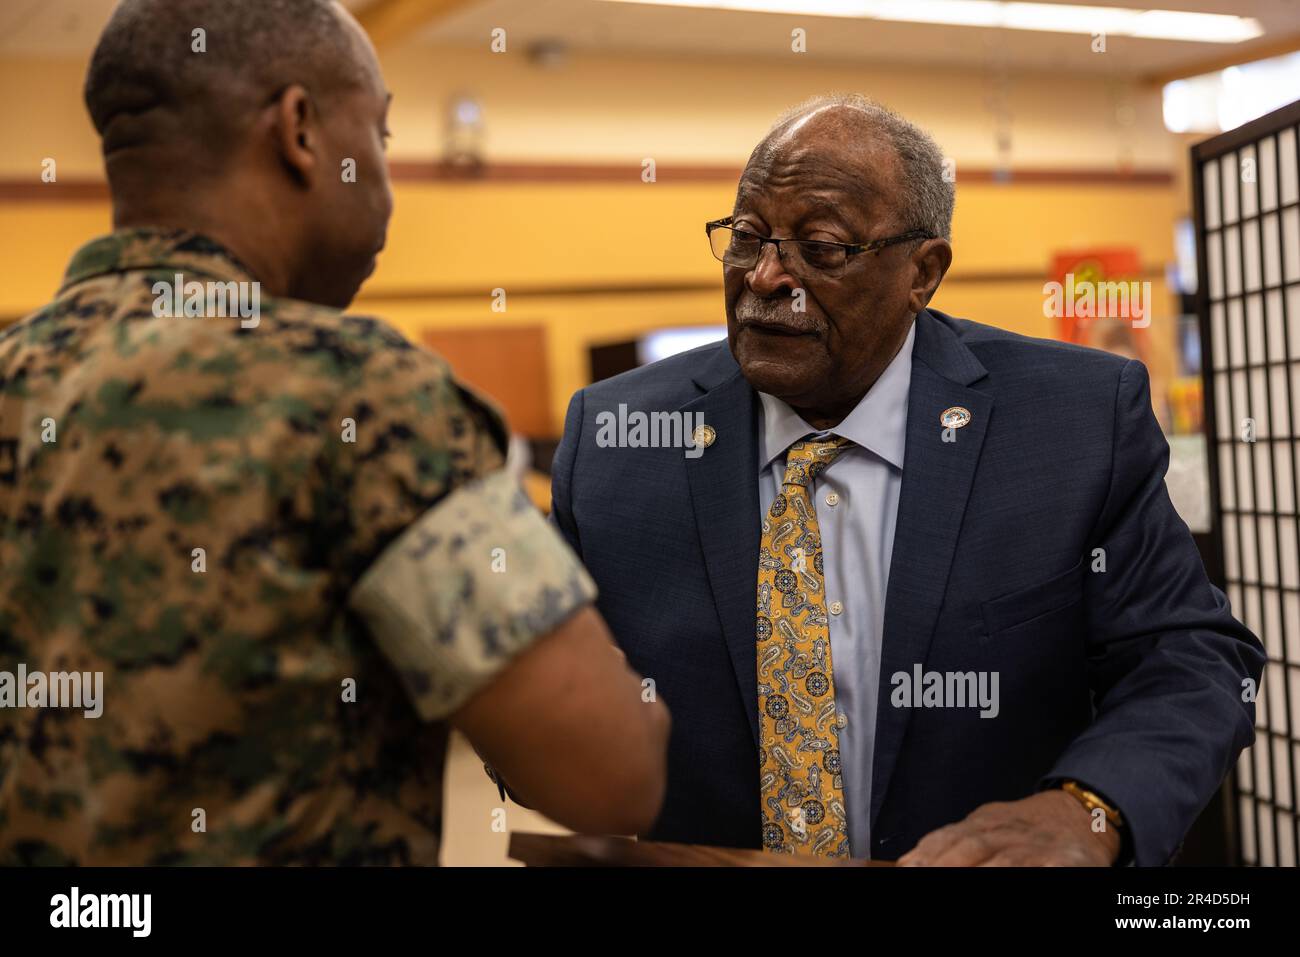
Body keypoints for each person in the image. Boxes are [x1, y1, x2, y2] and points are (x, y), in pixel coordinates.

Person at [0, 0, 668, 866]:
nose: (384, 173)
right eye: (380, 136)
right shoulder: (357, 392)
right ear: (300, 129)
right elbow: (605, 774)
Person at [548, 94, 1264, 865]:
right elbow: (531, 694)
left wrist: (1088, 809)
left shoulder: (1074, 424)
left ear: (922, 271)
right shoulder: (617, 442)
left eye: (818, 248)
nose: (763, 276)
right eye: (746, 237)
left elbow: (1187, 659)